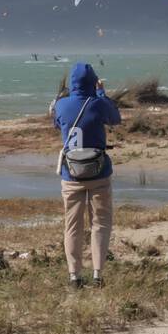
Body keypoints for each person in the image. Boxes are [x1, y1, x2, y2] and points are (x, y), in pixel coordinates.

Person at [50, 63, 121, 288]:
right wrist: (100, 92)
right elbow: (115, 118)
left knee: (72, 226)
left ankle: (74, 276)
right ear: (93, 81)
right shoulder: (99, 103)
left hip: (71, 175)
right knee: (100, 223)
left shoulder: (61, 105)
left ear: (72, 83)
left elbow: (56, 123)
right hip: (99, 172)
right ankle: (98, 274)